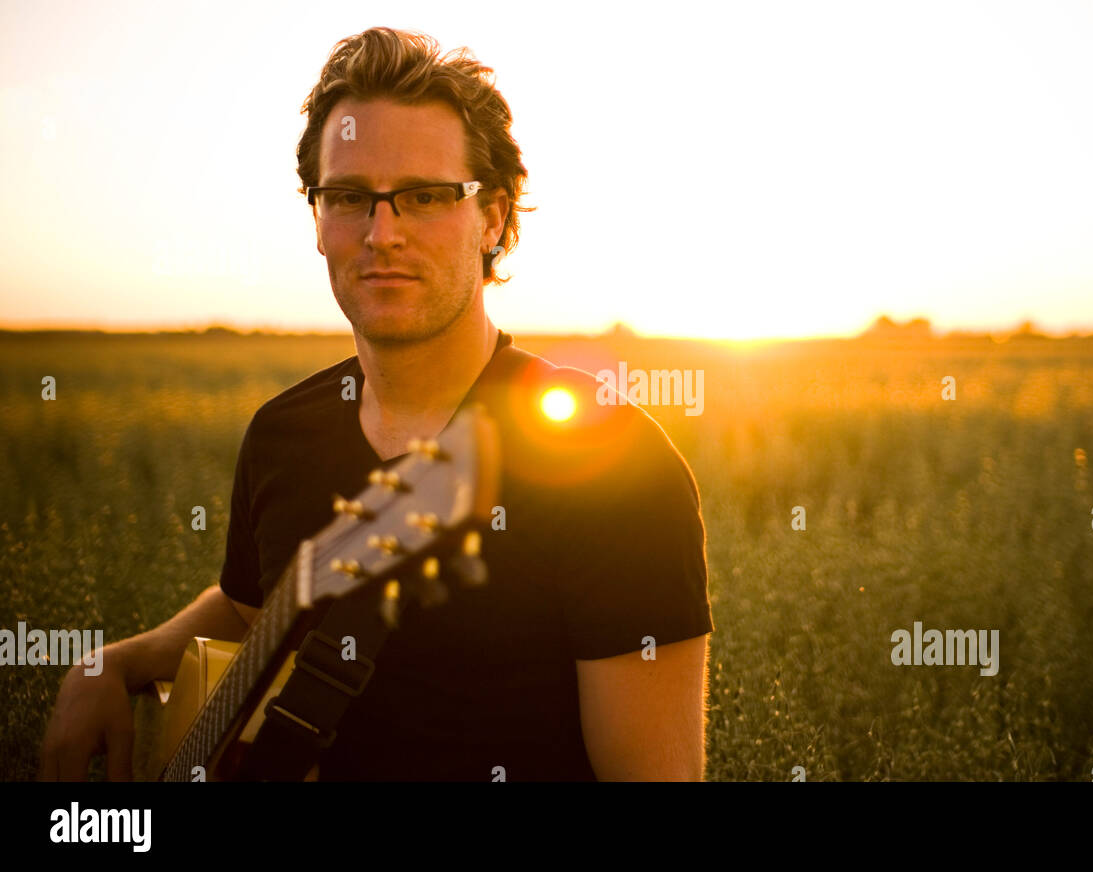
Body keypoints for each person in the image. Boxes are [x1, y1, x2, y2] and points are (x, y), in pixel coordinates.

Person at [40, 27, 712, 781]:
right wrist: (109, 665)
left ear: (492, 217)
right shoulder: (283, 433)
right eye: (350, 197)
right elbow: (253, 610)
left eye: (425, 197)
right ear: (318, 220)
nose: (381, 233)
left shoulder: (613, 461)